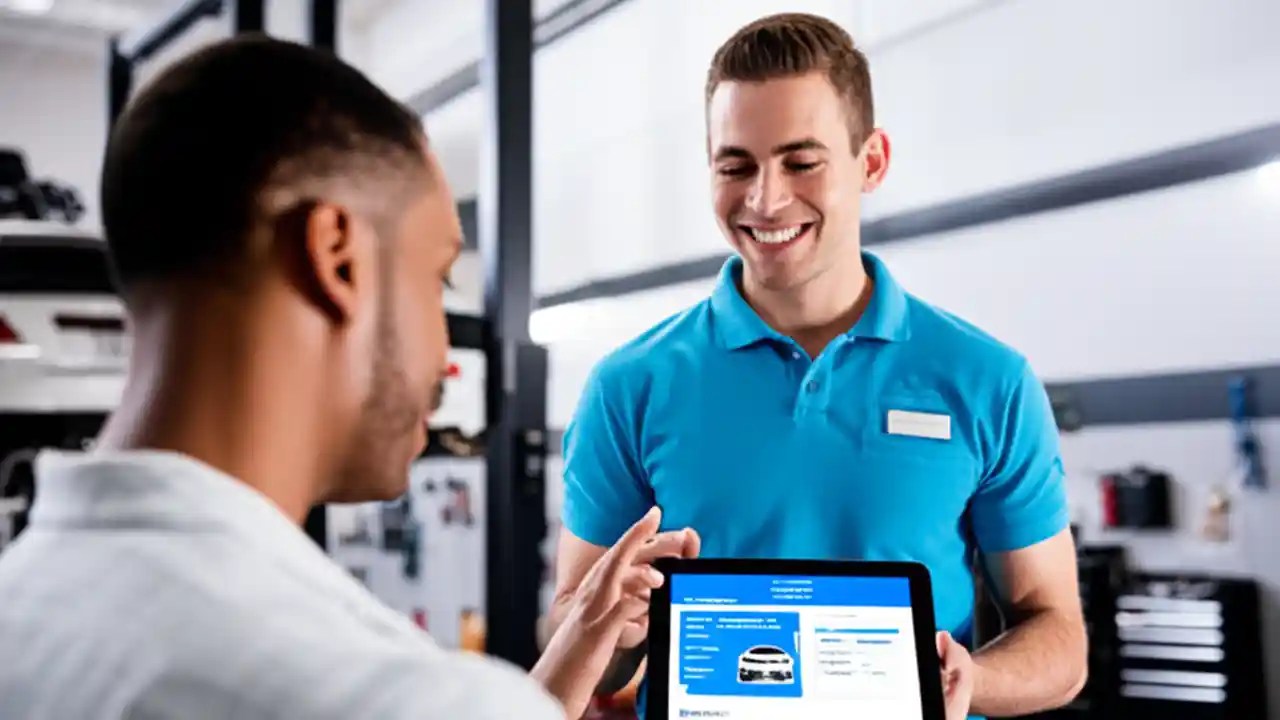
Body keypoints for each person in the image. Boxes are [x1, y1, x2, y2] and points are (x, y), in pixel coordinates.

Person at [0, 35, 692, 720]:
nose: (439, 353)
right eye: (436, 276)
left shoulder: (26, 604)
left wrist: (571, 655)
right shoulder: (391, 692)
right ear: (337, 258)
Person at [546, 12, 1086, 720]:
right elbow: (566, 632)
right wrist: (612, 630)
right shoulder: (630, 387)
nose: (766, 199)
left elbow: (1060, 639)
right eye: (736, 165)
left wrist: (971, 680)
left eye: (802, 162)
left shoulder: (987, 381)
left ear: (872, 161)